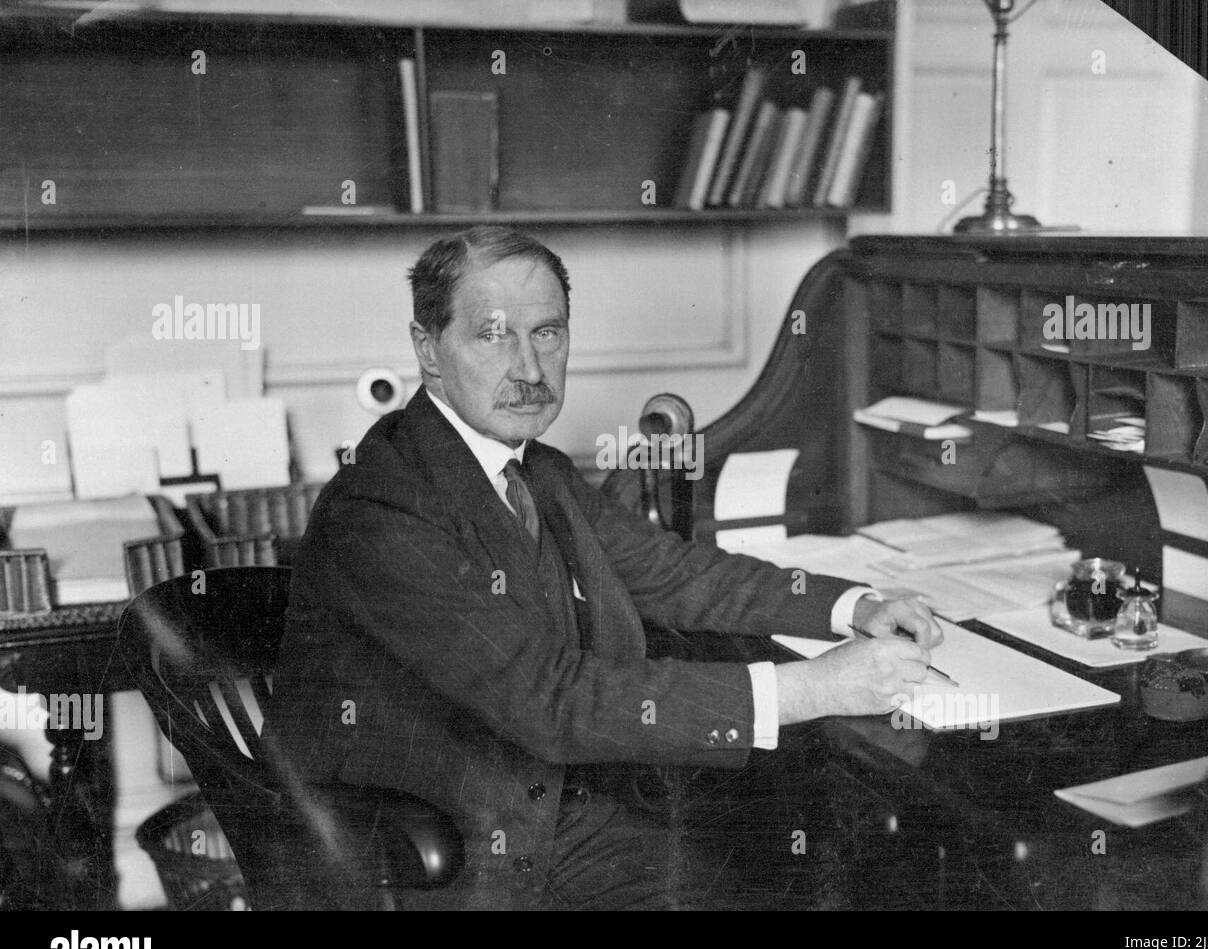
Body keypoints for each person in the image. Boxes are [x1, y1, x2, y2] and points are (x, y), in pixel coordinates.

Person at [269, 225, 942, 910]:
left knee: (771, 874)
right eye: (494, 336)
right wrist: (816, 690)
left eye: (548, 333)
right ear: (429, 351)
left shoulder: (537, 470)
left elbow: (673, 572)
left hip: (539, 806)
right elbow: (551, 701)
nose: (530, 370)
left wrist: (851, 604)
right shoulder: (382, 503)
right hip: (434, 856)